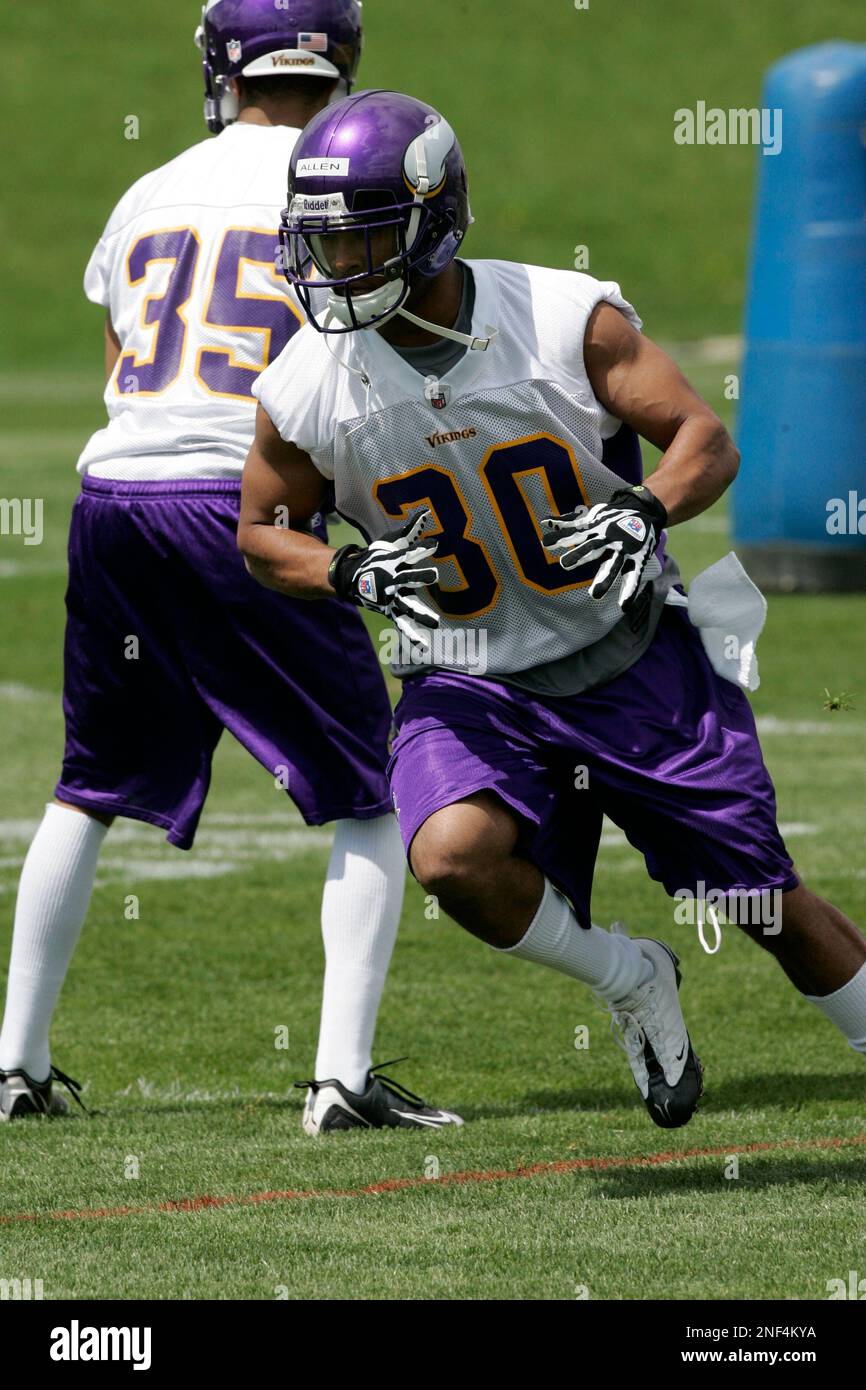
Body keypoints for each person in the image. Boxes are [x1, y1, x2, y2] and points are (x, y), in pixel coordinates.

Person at [238, 88, 866, 1129]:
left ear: (433, 222)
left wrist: (641, 508)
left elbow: (703, 438)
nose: (334, 270)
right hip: (467, 676)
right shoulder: (309, 382)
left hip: (628, 656)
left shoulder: (562, 316)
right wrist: (345, 574)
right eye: (323, 244)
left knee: (762, 903)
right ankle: (629, 977)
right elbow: (260, 529)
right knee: (449, 858)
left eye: (360, 242)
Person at [0, 7, 462, 1135]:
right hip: (235, 498)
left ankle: (14, 1063)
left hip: (116, 496)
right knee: (366, 787)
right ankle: (340, 1078)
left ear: (223, 66)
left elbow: (128, 363)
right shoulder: (338, 181)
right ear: (339, 62)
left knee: (90, 783)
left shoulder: (151, 188)